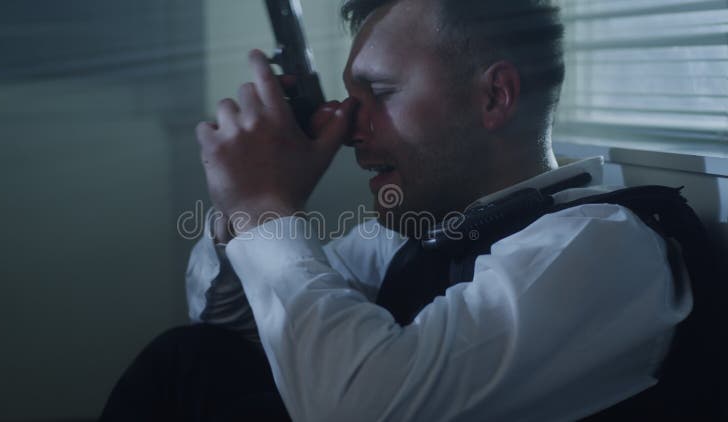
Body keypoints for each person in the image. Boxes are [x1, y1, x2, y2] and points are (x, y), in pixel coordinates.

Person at [101, 0, 699, 420]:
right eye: (350, 97)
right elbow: (232, 327)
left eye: (379, 94)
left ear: (495, 96)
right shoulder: (405, 239)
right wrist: (250, 212)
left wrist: (265, 209)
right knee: (191, 362)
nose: (350, 127)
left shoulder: (600, 249)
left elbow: (362, 411)